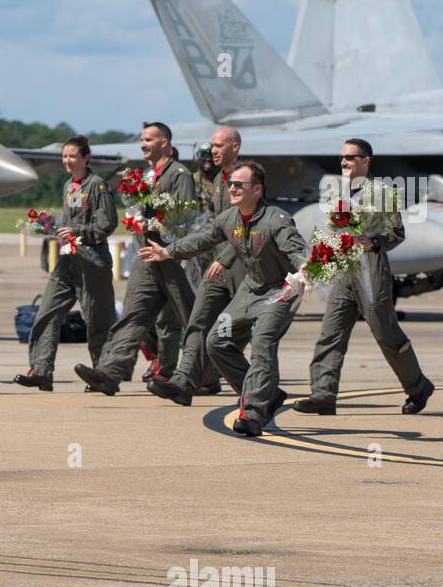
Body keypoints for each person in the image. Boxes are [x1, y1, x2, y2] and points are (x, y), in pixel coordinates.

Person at [143, 161, 306, 436]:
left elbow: (296, 248)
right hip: (249, 291)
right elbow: (202, 239)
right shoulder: (229, 218)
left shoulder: (275, 219)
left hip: (278, 292)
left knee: (262, 343)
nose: (231, 188)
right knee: (217, 341)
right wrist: (168, 252)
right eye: (230, 184)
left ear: (257, 189)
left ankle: (253, 413)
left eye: (239, 185)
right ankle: (269, 394)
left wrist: (305, 269)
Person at [294, 139, 435, 415]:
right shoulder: (340, 194)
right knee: (330, 332)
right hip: (344, 271)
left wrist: (373, 241)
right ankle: (323, 395)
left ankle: (418, 386)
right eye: (342, 158)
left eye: (350, 157)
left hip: (371, 268)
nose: (344, 162)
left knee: (385, 333)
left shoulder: (382, 192)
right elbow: (336, 233)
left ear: (366, 160)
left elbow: (397, 234)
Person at [75, 122, 196, 395]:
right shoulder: (146, 176)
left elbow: (186, 220)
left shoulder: (179, 175)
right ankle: (109, 373)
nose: (143, 144)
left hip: (172, 258)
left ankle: (208, 373)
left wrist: (160, 230)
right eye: (142, 140)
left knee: (193, 317)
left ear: (164, 143)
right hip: (146, 257)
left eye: (149, 140)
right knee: (132, 316)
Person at [147, 126, 244, 401]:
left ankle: (258, 391)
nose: (213, 151)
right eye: (211, 145)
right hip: (217, 267)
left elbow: (246, 226)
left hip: (244, 268)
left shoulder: (246, 179)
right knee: (199, 322)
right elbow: (215, 230)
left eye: (219, 145)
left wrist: (224, 259)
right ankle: (183, 382)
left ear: (235, 147)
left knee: (238, 336)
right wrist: (173, 251)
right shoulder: (219, 183)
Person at [14, 135, 117, 391]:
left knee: (97, 320)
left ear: (86, 158)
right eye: (64, 157)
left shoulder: (97, 186)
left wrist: (78, 231)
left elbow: (107, 224)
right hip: (67, 262)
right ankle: (41, 371)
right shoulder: (69, 186)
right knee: (46, 312)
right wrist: (50, 227)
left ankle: (102, 375)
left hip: (92, 262)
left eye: (73, 156)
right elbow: (67, 221)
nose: (68, 161)